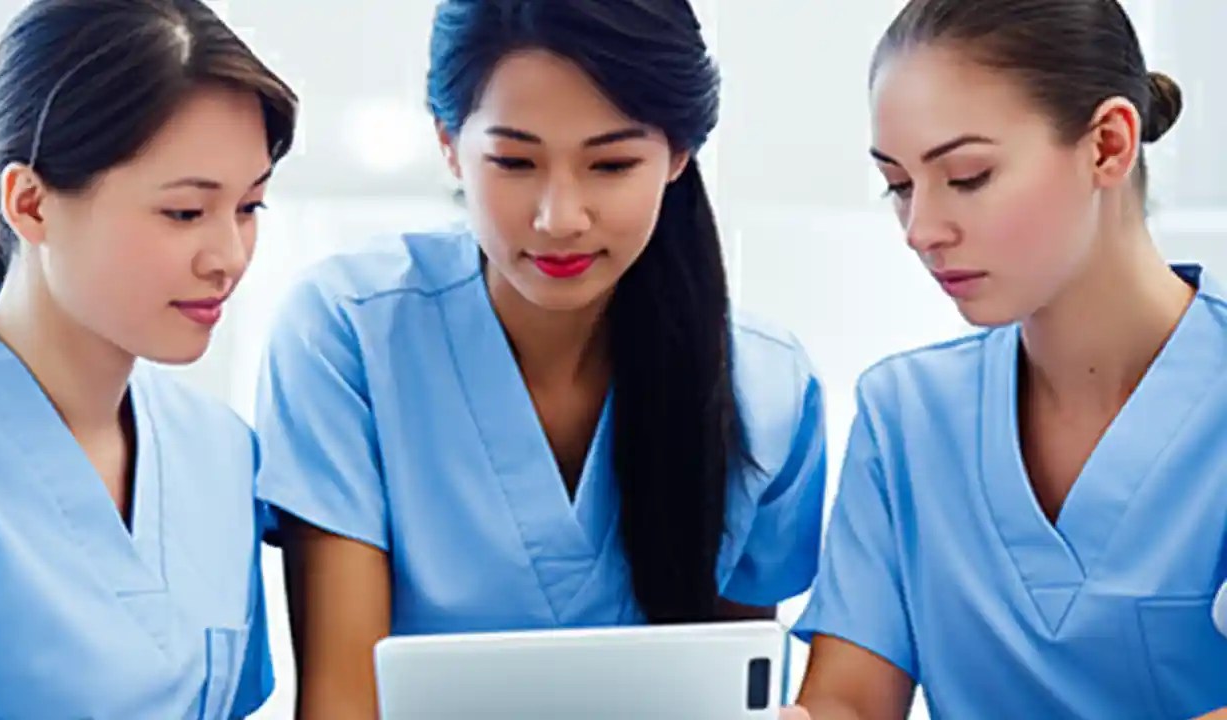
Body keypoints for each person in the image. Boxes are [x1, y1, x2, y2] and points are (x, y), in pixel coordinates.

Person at [254, 0, 826, 716]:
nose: (561, 217)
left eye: (612, 163)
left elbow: (725, 690)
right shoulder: (349, 335)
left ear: (679, 154)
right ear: (448, 142)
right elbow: (343, 701)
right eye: (515, 162)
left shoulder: (767, 388)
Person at [781, 1, 1227, 719]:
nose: (920, 230)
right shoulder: (907, 415)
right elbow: (849, 703)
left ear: (1108, 145)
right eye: (898, 186)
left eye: (967, 176)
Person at [0, 1, 296, 717]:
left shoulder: (222, 454)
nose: (228, 257)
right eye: (184, 213)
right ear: (32, 204)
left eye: (249, 207)